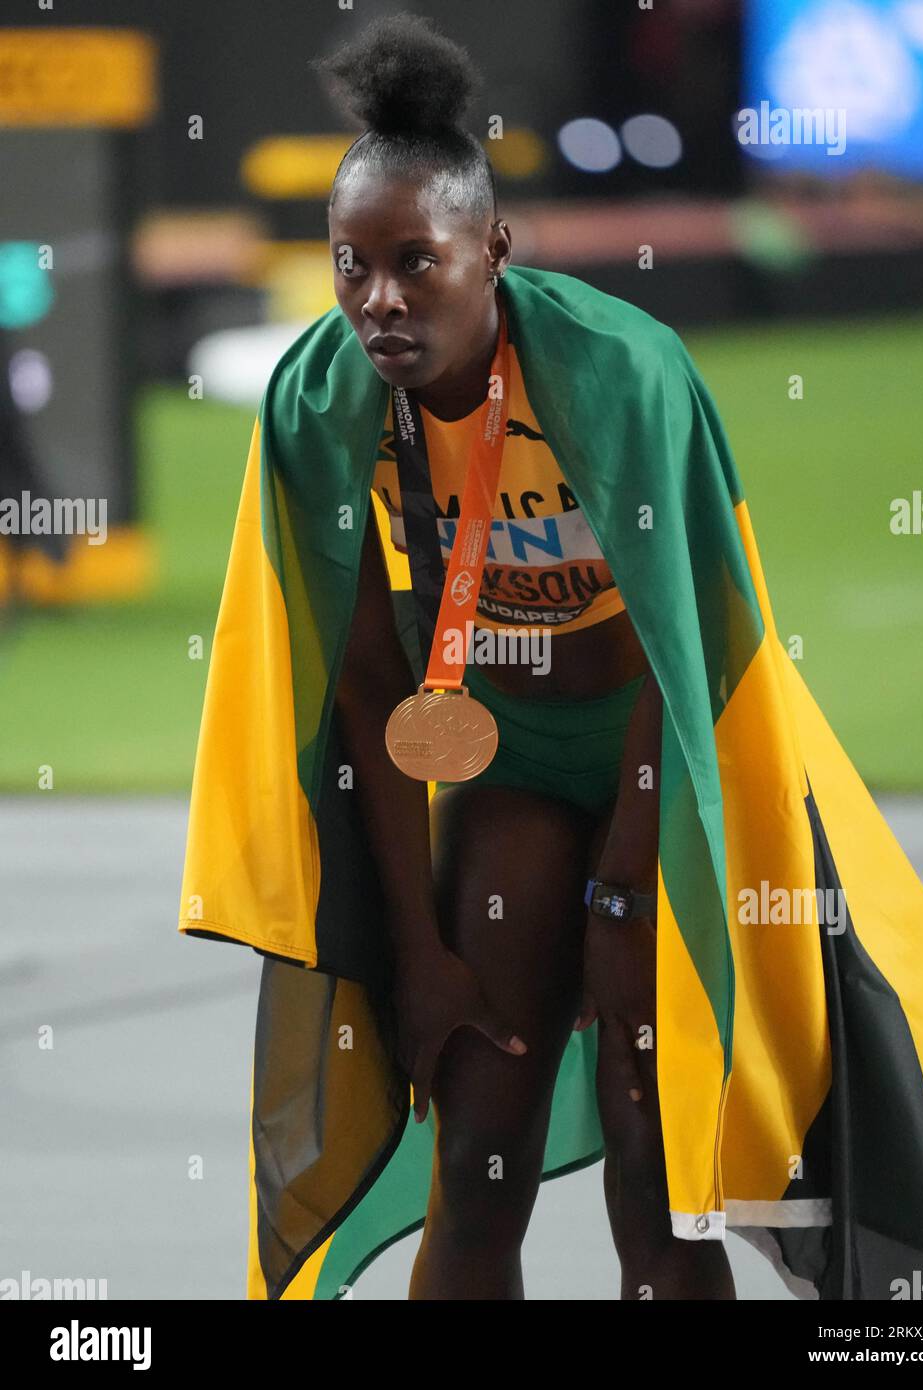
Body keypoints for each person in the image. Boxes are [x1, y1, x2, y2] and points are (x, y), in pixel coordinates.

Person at [316, 13, 734, 1299]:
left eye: (414, 262)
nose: (379, 299)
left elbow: (693, 641)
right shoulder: (329, 403)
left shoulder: (615, 373)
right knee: (478, 1151)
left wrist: (624, 895)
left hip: (660, 752)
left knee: (659, 1161)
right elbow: (371, 680)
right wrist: (413, 942)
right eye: (350, 265)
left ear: (490, 248)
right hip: (510, 761)